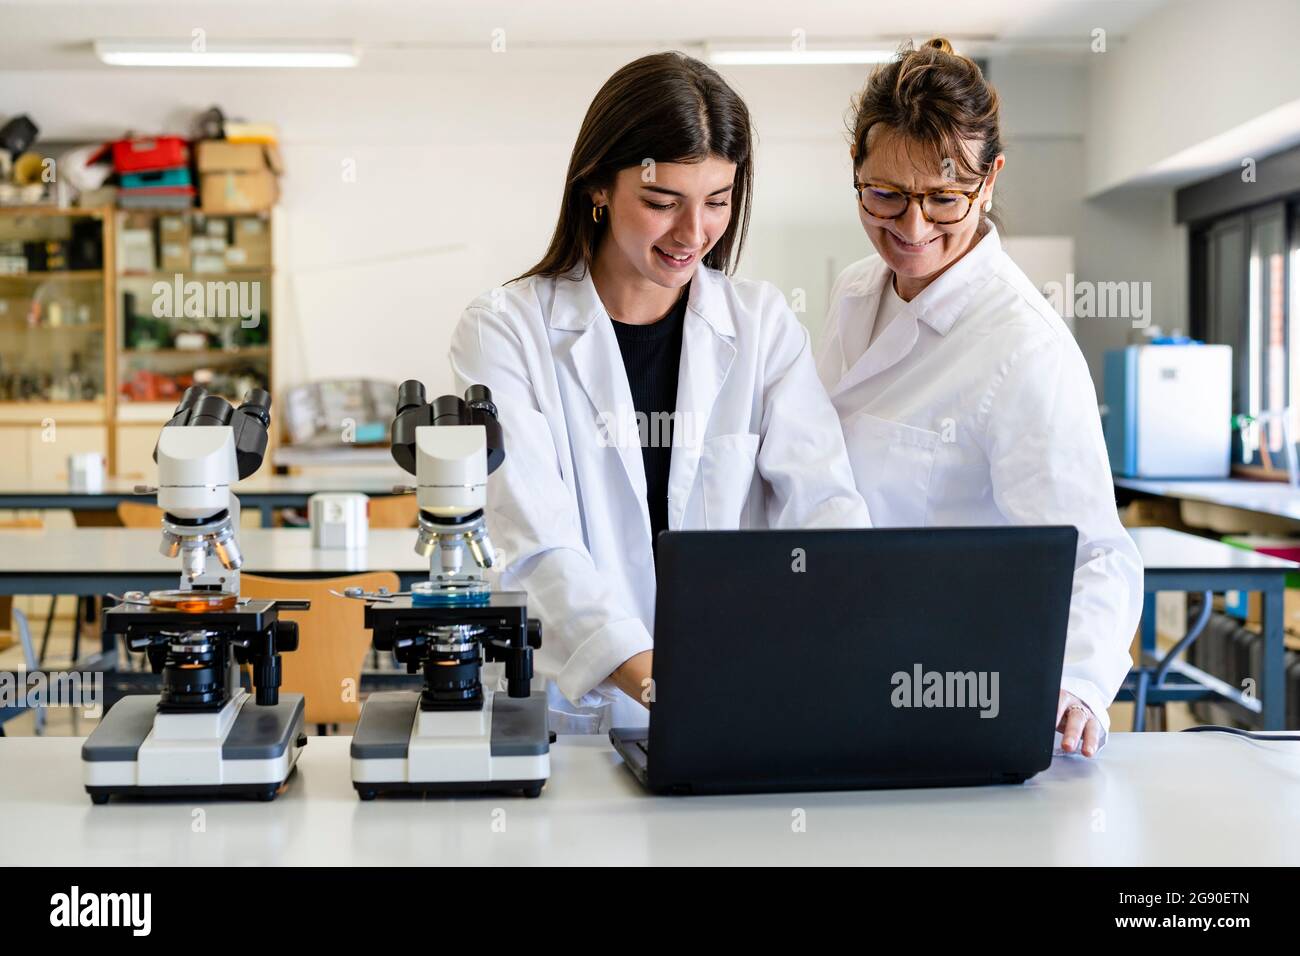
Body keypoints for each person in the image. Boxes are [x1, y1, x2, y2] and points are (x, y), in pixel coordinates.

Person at [450, 52, 870, 733]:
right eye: (661, 201)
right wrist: (656, 683)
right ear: (597, 187)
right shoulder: (504, 331)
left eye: (717, 202)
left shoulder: (761, 326)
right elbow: (534, 539)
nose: (693, 234)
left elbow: (824, 507)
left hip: (736, 699)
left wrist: (848, 637)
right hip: (572, 716)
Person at [817, 38, 1142, 757]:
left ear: (989, 181)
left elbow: (1097, 556)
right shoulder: (852, 294)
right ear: (857, 171)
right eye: (886, 195)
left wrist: (1077, 682)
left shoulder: (1023, 346)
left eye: (944, 199)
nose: (911, 228)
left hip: (955, 687)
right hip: (844, 658)